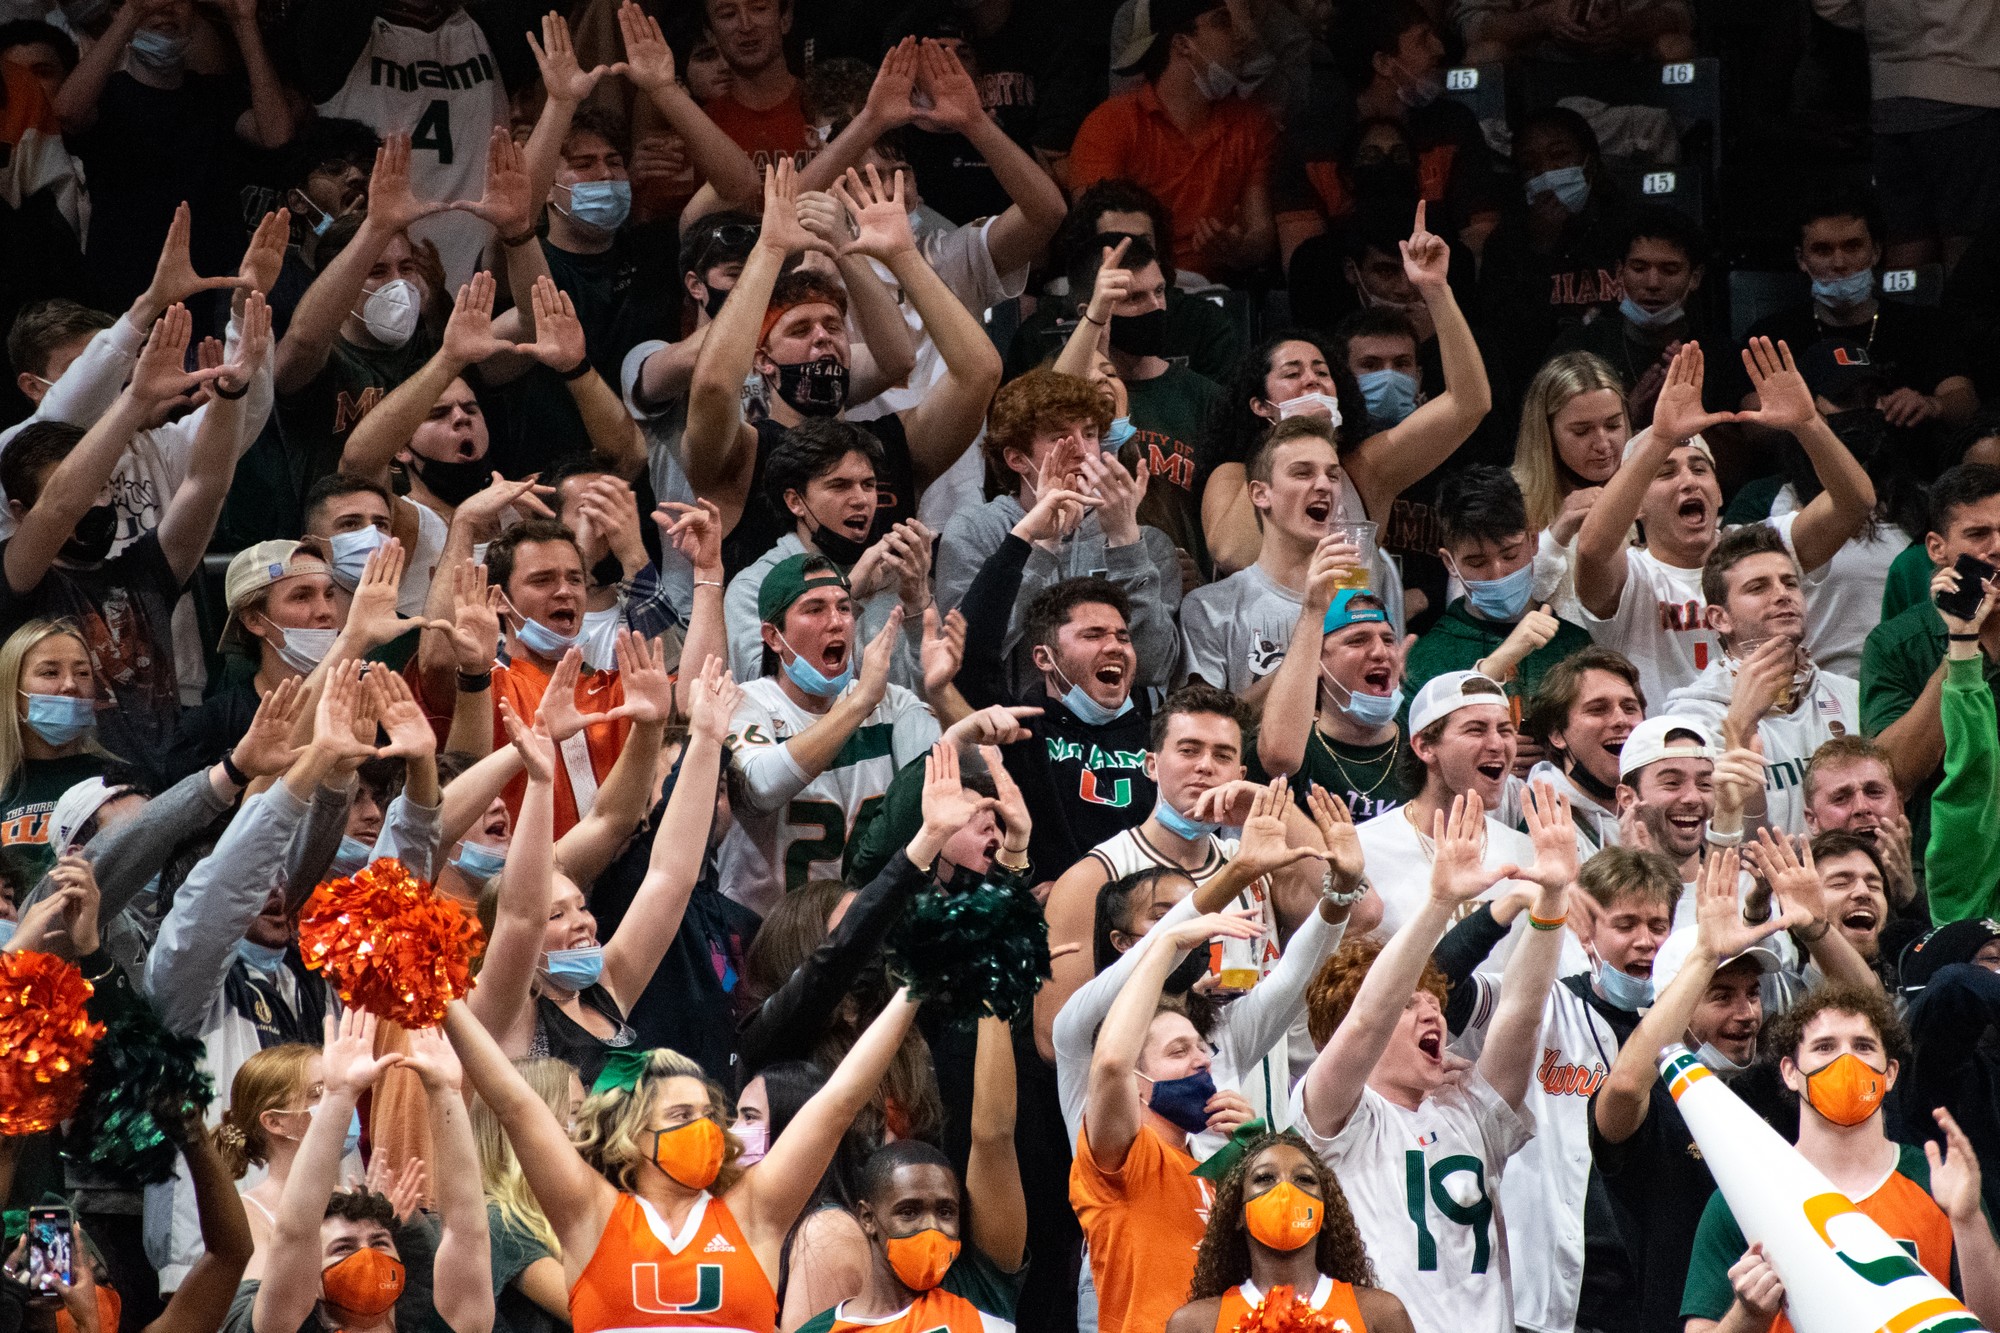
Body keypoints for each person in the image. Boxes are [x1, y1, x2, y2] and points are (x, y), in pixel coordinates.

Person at [443, 960, 922, 1333]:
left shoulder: (753, 1212)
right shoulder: (590, 1215)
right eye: (681, 1117)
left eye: (709, 1116)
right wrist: (437, 994)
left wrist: (914, 987)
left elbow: (841, 1100)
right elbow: (514, 1103)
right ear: (632, 1136)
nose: (707, 1129)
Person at [1290, 786, 1578, 1333]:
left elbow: (1521, 1012)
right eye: (1409, 1003)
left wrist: (1554, 900)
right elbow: (1367, 1020)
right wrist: (1440, 902)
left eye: (1433, 1003)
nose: (1432, 1014)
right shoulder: (1332, 1117)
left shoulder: (1466, 1107)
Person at [684, 159, 999, 577]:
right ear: (763, 361)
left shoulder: (892, 445)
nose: (822, 336)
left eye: (833, 326)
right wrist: (770, 250)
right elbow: (712, 388)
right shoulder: (742, 454)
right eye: (800, 329)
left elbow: (980, 374)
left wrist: (903, 256)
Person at [0, 294, 270, 773]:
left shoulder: (144, 572)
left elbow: (208, 482)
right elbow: (61, 504)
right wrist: (136, 398)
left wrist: (232, 394)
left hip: (159, 783)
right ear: (22, 513)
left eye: (104, 489)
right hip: (58, 784)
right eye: (85, 491)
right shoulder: (20, 580)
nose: (96, 503)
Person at [1202, 202, 1492, 591]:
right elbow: (1234, 552)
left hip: (1355, 645)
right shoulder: (1233, 475)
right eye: (1293, 373)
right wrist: (1287, 437)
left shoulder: (1364, 471)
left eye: (1323, 372)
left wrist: (1436, 290)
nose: (1312, 380)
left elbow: (1469, 403)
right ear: (1259, 405)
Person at [1037, 687, 1331, 1066]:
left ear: (1239, 774)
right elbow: (1051, 1040)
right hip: (1156, 1112)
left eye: (1222, 755)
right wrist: (1178, 1005)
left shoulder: (1262, 870)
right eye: (1189, 750)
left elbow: (1359, 907)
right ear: (1151, 765)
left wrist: (1270, 803)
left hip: (1258, 1112)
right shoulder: (1092, 877)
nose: (1205, 766)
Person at [1573, 340, 1876, 707]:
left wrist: (1809, 424)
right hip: (1677, 753)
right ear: (1635, 505)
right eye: (1665, 472)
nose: (1689, 481)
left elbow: (1855, 501)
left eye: (1700, 468)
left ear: (1718, 493)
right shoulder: (1633, 575)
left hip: (1773, 741)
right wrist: (1660, 437)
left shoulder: (1759, 550)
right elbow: (1591, 548)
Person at [1678, 989, 2000, 1333]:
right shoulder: (1741, 1196)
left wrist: (1967, 1221)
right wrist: (1748, 1316)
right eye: (1824, 1047)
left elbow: (1991, 1325)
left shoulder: (1934, 1179)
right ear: (1789, 1071)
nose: (1846, 1061)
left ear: (1890, 1073)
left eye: (1863, 1046)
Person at [1588, 849, 1801, 1333]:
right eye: (1721, 996)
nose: (1746, 1013)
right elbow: (1621, 1087)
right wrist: (1704, 955)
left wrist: (1815, 928)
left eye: (1751, 993)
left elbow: (1880, 1025)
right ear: (1676, 1007)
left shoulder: (1779, 1085)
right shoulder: (1652, 1101)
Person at [1069, 899, 1264, 1333]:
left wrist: (1259, 1154)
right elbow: (1111, 1062)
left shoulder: (1215, 1170)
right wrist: (1167, 945)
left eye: (1201, 1047)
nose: (1201, 1062)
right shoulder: (1119, 1159)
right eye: (1178, 1051)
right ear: (1136, 1082)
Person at [719, 554, 940, 915]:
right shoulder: (744, 703)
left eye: (843, 608)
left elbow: (942, 778)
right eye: (815, 609)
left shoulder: (892, 702)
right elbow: (759, 788)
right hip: (763, 935)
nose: (836, 622)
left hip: (862, 932)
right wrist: (858, 704)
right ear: (774, 637)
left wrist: (943, 694)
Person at [934, 368, 1180, 684]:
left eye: (1090, 434)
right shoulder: (976, 530)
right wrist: (1042, 546)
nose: (1082, 450)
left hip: (1111, 728)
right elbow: (964, 657)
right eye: (1060, 437)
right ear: (1017, 459)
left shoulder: (1146, 541)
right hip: (1012, 724)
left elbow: (1152, 667)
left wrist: (1125, 544)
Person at [248, 1014, 491, 1333]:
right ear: (311, 1280)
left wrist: (445, 1091)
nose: (368, 1257)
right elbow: (294, 1235)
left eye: (379, 1242)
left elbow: (466, 1231)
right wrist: (338, 1097)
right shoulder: (284, 1325)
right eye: (342, 1248)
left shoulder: (446, 1323)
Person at [50, 0, 292, 308]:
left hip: (211, 285)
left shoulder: (213, 95)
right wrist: (132, 13)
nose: (165, 8)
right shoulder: (107, 96)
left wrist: (243, 21)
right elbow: (68, 113)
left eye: (179, 1)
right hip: (127, 289)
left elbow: (276, 135)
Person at [1665, 525, 1862, 834]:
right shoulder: (1694, 720)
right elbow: (1711, 839)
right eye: (1758, 588)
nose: (1782, 595)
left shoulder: (1850, 695)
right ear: (1720, 618)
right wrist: (1741, 724)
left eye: (1790, 583)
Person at [1066, 0, 1275, 283]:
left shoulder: (1251, 123)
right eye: (1221, 22)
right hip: (1131, 289)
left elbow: (1260, 234)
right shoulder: (1109, 125)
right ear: (1183, 44)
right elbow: (1097, 236)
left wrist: (1237, 250)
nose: (1239, 35)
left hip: (1218, 295)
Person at [1733, 192, 1979, 430]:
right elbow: (1752, 424)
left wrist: (1931, 404)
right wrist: (1801, 418)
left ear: (1875, 252)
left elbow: (1964, 401)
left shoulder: (1925, 326)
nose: (1839, 263)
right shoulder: (1771, 335)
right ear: (1802, 259)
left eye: (1853, 246)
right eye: (1822, 250)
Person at [723, 420, 935, 688]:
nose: (861, 499)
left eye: (868, 485)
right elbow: (763, 690)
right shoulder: (754, 586)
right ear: (795, 501)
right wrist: (847, 595)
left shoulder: (897, 576)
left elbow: (930, 693)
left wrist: (918, 603)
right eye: (840, 486)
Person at [1179, 422, 1370, 709]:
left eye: (1333, 476)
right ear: (1260, 494)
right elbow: (1204, 723)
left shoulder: (1361, 607)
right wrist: (1312, 648)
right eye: (1302, 473)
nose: (1323, 485)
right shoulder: (1212, 608)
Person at [1163, 1128, 1417, 1333]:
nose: (1285, 1190)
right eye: (1264, 1178)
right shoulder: (1196, 1324)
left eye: (1304, 1179)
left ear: (1326, 1212)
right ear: (1237, 1213)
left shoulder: (1380, 1314)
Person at [1861, 464, 2000, 829]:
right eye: (1978, 534)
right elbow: (1894, 778)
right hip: (1940, 863)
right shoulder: (1896, 643)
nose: (1997, 547)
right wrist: (1963, 640)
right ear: (1937, 549)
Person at [1401, 464, 1593, 726]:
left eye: (1510, 555)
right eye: (1477, 563)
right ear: (1449, 563)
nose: (1498, 574)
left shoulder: (1576, 647)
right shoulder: (1425, 659)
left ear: (1533, 540)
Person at [1351, 671, 1538, 935]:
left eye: (1505, 730)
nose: (1497, 744)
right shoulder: (1365, 851)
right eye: (1476, 730)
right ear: (1425, 746)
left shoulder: (1527, 855)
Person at [794, 1139, 1015, 1333]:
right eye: (909, 1212)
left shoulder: (982, 1325)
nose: (931, 1226)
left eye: (945, 1212)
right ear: (868, 1218)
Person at [1256, 577, 1417, 821]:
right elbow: (1278, 759)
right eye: (1357, 640)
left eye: (1387, 640)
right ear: (1317, 660)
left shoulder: (1423, 746)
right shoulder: (1297, 748)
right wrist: (1313, 612)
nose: (1380, 652)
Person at [1550, 207, 1715, 428]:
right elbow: (1543, 429)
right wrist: (1623, 418)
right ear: (1619, 272)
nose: (1653, 283)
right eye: (1639, 268)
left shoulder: (1717, 355)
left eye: (1670, 270)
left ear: (1694, 278)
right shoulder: (1581, 347)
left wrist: (1687, 416)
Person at [1511, 351, 1630, 620]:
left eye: (1613, 425)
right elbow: (1489, 613)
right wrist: (1556, 536)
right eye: (1582, 431)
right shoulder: (1507, 500)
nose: (1603, 444)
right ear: (1546, 433)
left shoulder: (1649, 488)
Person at [470, 1057, 583, 1333]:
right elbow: (591, 1311)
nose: (590, 1128)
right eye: (576, 1114)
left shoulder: (563, 1209)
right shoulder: (500, 1222)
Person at [0, 618, 105, 879]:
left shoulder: (120, 781)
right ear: (12, 689)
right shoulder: (4, 786)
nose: (70, 684)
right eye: (50, 672)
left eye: (82, 673)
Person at [1521, 647, 1648, 855]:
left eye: (1629, 708)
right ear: (1557, 734)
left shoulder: (1660, 805)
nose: (1621, 720)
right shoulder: (1531, 817)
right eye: (1598, 709)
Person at [216, 1043, 326, 1281]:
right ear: (274, 1122)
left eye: (336, 1089)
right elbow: (259, 1311)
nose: (338, 1102)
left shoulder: (354, 1194)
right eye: (318, 1093)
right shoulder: (248, 1215)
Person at [1457, 0, 1694, 63]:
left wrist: (1626, 26)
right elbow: (1474, 26)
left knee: (1676, 47)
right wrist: (1543, 18)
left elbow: (1680, 15)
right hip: (1534, 65)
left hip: (1628, 62)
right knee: (1484, 54)